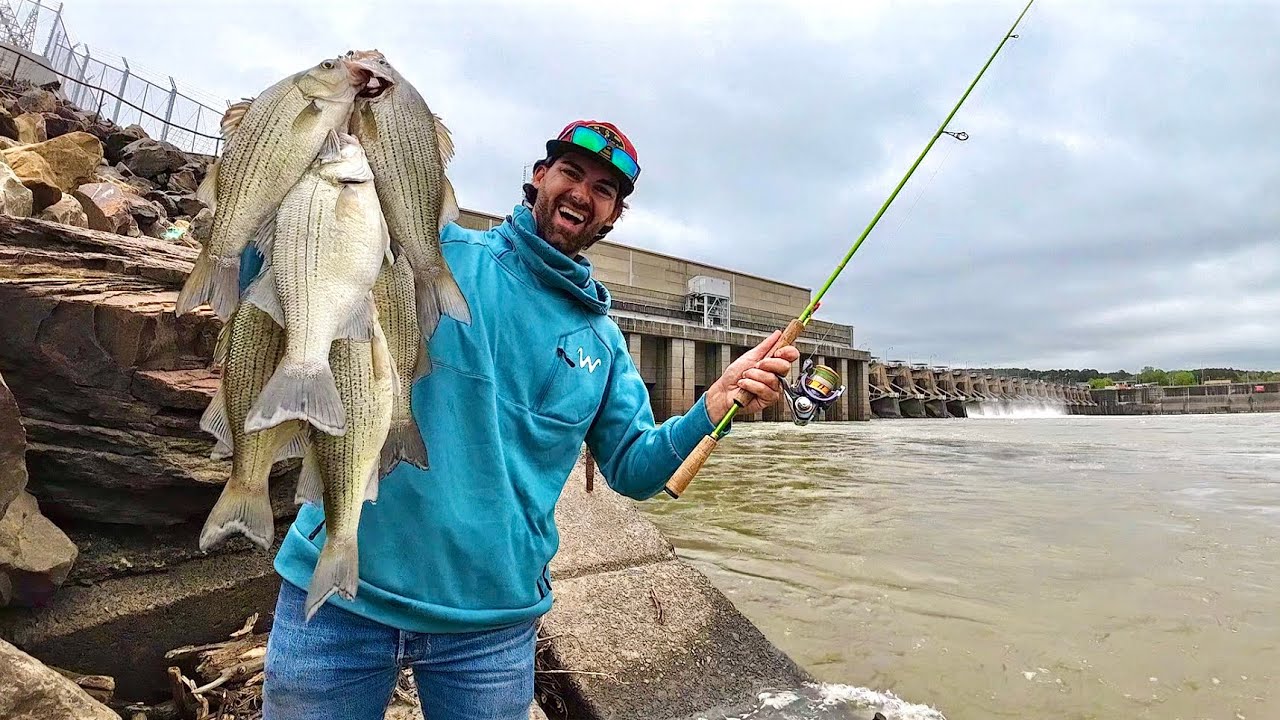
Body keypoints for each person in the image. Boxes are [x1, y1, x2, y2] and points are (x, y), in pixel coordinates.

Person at [260, 119, 800, 719]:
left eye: (603, 190)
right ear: (539, 177)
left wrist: (712, 406)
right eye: (571, 173)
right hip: (336, 598)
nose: (582, 193)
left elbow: (635, 469)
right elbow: (298, 244)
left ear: (613, 216)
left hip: (491, 628)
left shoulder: (603, 343)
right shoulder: (435, 254)